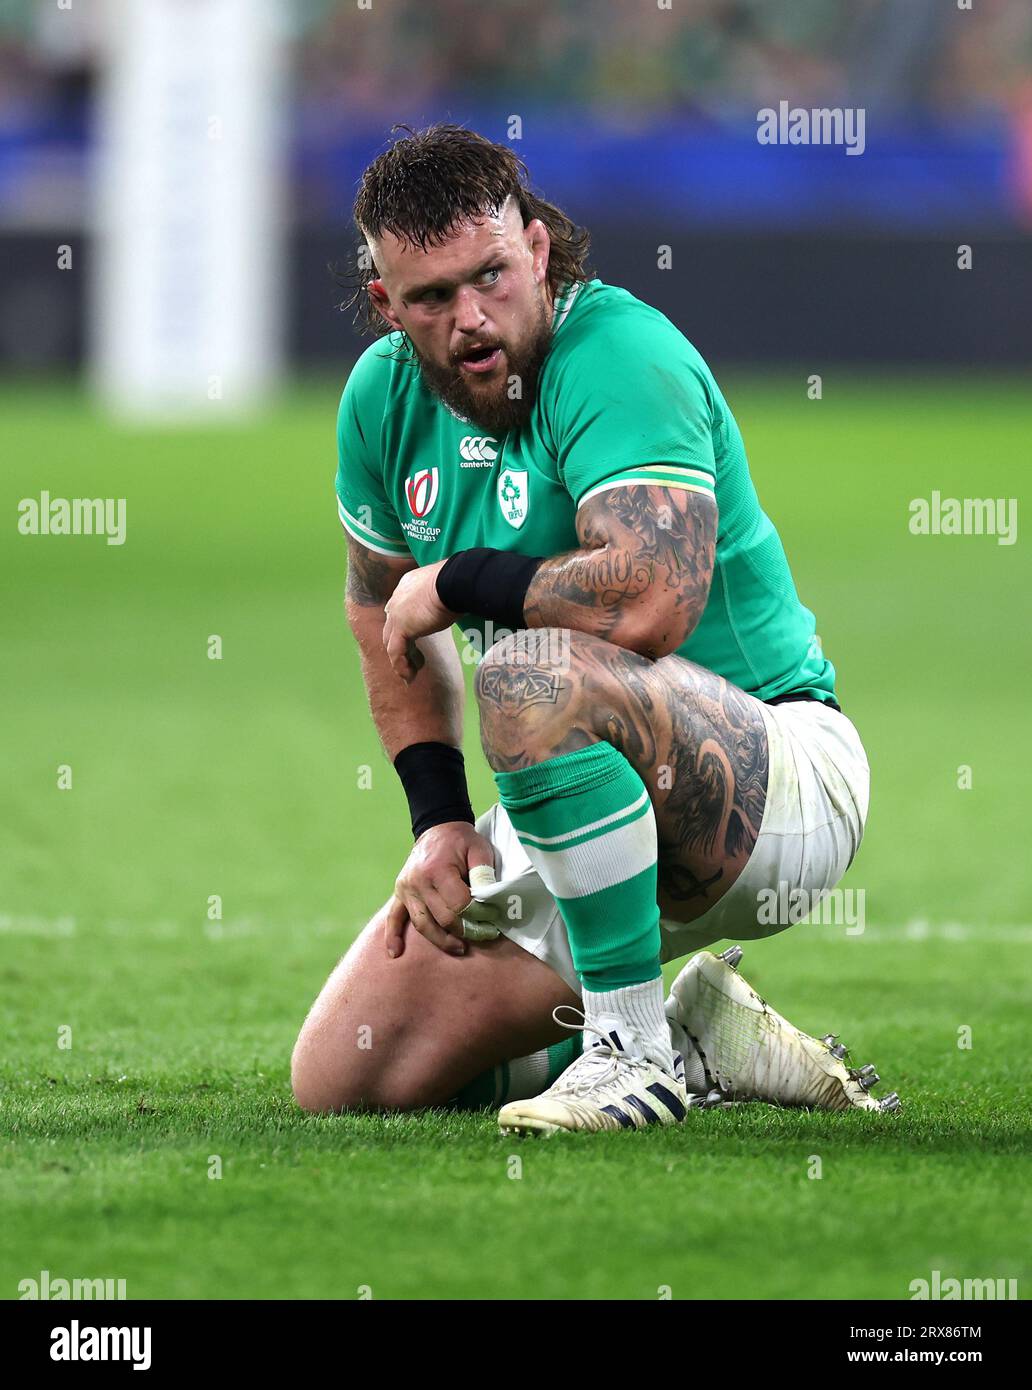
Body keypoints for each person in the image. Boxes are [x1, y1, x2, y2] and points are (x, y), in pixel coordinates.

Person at [291, 125, 897, 1134]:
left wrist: (463, 578)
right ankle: (692, 1034)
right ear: (387, 304)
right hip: (590, 791)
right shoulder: (381, 399)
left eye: (490, 275)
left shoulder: (619, 354)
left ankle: (629, 1054)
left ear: (535, 248)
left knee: (525, 676)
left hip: (779, 780)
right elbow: (379, 616)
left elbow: (652, 602)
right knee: (350, 1076)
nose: (471, 318)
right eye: (433, 297)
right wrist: (439, 822)